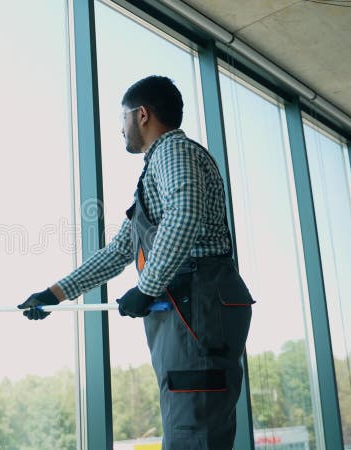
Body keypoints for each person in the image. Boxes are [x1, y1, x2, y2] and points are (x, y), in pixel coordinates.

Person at [17, 75, 254, 449]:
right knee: (189, 424)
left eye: (123, 117)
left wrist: (147, 287)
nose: (120, 128)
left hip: (197, 303)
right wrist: (53, 294)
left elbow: (186, 213)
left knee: (194, 431)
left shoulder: (173, 153)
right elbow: (119, 251)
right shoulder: (160, 166)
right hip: (191, 303)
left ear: (142, 115)